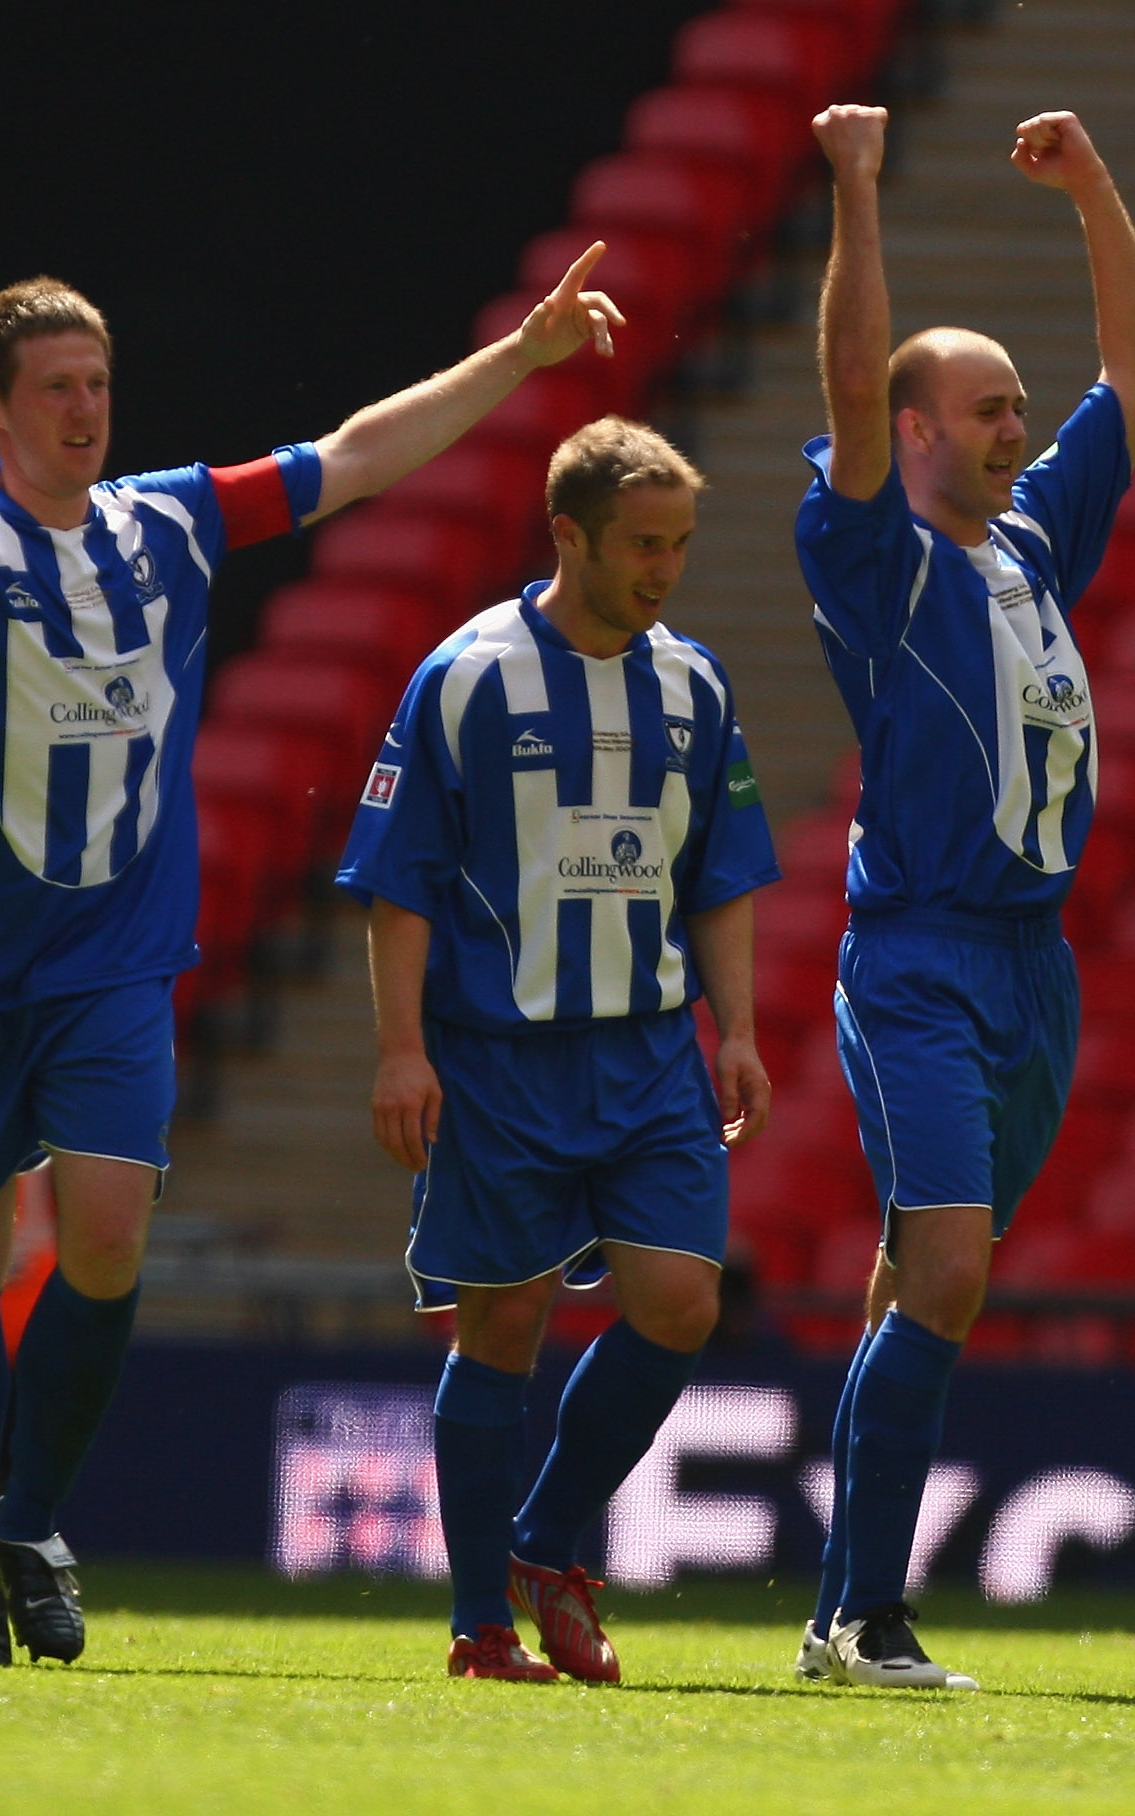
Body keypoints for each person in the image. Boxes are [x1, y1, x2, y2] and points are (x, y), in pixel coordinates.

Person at [0, 254, 625, 1666]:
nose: (89, 409)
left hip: (115, 961)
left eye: (100, 383)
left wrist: (521, 359)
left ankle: (28, 1527)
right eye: (58, 389)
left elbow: (352, 459)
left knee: (105, 1232)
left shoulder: (165, 523)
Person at [794, 106, 1135, 1689]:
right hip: (923, 960)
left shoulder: (1031, 545)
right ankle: (868, 1618)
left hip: (1036, 968)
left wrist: (1096, 186)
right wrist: (860, 191)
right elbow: (851, 383)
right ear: (916, 432)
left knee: (918, 1277)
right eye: (988, 407)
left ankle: (837, 1611)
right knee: (948, 1272)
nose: (1019, 427)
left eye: (1022, 406)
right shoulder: (875, 560)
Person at [338, 418, 777, 1681]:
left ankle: (541, 1540)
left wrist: (734, 1029)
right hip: (496, 1060)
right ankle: (480, 1623)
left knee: (681, 1301)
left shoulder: (691, 685)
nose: (664, 569)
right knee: (506, 1327)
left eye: (680, 545)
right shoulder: (467, 676)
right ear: (567, 534)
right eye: (642, 545)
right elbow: (401, 880)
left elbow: (721, 874)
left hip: (645, 1056)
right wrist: (397, 1048)